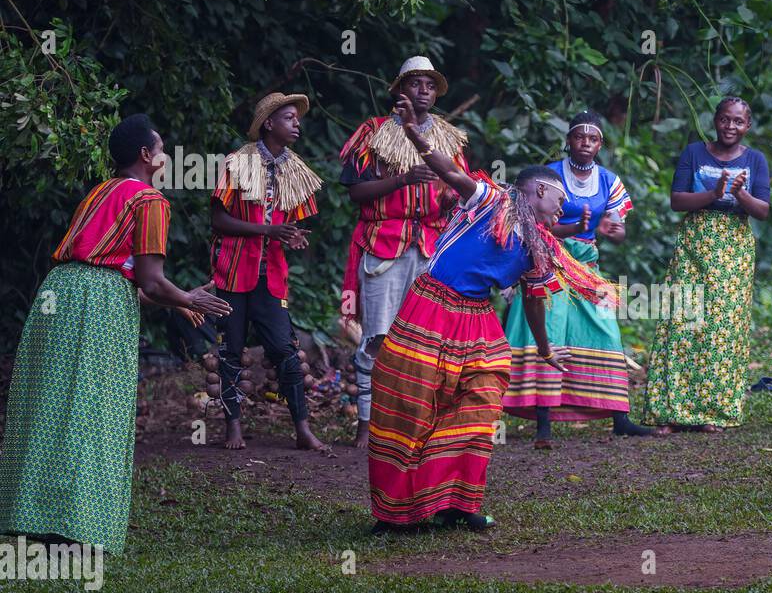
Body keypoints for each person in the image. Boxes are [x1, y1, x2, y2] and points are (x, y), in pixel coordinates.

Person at [368, 95, 615, 533]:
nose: (563, 209)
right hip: (430, 306)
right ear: (541, 190)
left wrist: (544, 349)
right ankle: (398, 513)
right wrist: (413, 133)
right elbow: (449, 171)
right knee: (412, 404)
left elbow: (535, 299)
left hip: (477, 320)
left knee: (480, 405)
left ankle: (457, 502)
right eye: (560, 201)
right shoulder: (491, 200)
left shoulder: (540, 246)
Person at [0, 114, 231, 553]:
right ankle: (79, 524)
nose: (167, 157)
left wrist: (179, 299)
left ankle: (34, 515)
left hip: (60, 292)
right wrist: (189, 297)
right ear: (146, 155)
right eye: (162, 149)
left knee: (53, 403)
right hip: (98, 305)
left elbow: (122, 276)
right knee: (95, 406)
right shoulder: (149, 200)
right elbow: (150, 280)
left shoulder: (100, 192)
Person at [501, 111, 657, 445]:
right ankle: (543, 423)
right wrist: (575, 227)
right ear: (569, 140)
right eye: (579, 136)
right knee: (549, 328)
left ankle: (620, 417)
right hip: (547, 261)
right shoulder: (549, 176)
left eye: (593, 138)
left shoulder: (609, 181)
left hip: (585, 264)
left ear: (600, 144)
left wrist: (610, 229)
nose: (586, 143)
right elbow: (534, 224)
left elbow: (618, 231)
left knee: (606, 329)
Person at [339, 55, 469, 448]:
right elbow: (355, 192)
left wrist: (450, 200)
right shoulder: (373, 132)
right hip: (385, 243)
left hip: (430, 247)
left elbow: (461, 191)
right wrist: (403, 180)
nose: (423, 91)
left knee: (426, 340)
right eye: (415, 83)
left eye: (430, 85)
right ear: (399, 90)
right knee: (376, 338)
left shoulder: (449, 137)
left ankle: (414, 425)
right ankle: (366, 423)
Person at [641, 97, 771, 433]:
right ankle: (670, 410)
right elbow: (676, 200)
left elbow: (763, 210)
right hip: (694, 246)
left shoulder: (756, 160)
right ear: (715, 120)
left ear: (748, 125)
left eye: (738, 121)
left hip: (734, 252)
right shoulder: (694, 152)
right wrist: (714, 193)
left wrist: (739, 194)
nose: (731, 126)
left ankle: (713, 411)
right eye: (725, 119)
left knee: (723, 328)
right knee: (683, 320)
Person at [209, 92, 327, 451]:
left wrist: (292, 236)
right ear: (269, 123)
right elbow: (218, 220)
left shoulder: (296, 169)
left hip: (271, 273)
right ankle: (232, 427)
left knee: (285, 348)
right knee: (230, 348)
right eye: (289, 118)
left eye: (297, 118)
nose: (297, 124)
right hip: (232, 270)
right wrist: (268, 231)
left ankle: (302, 429)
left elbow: (289, 223)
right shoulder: (238, 162)